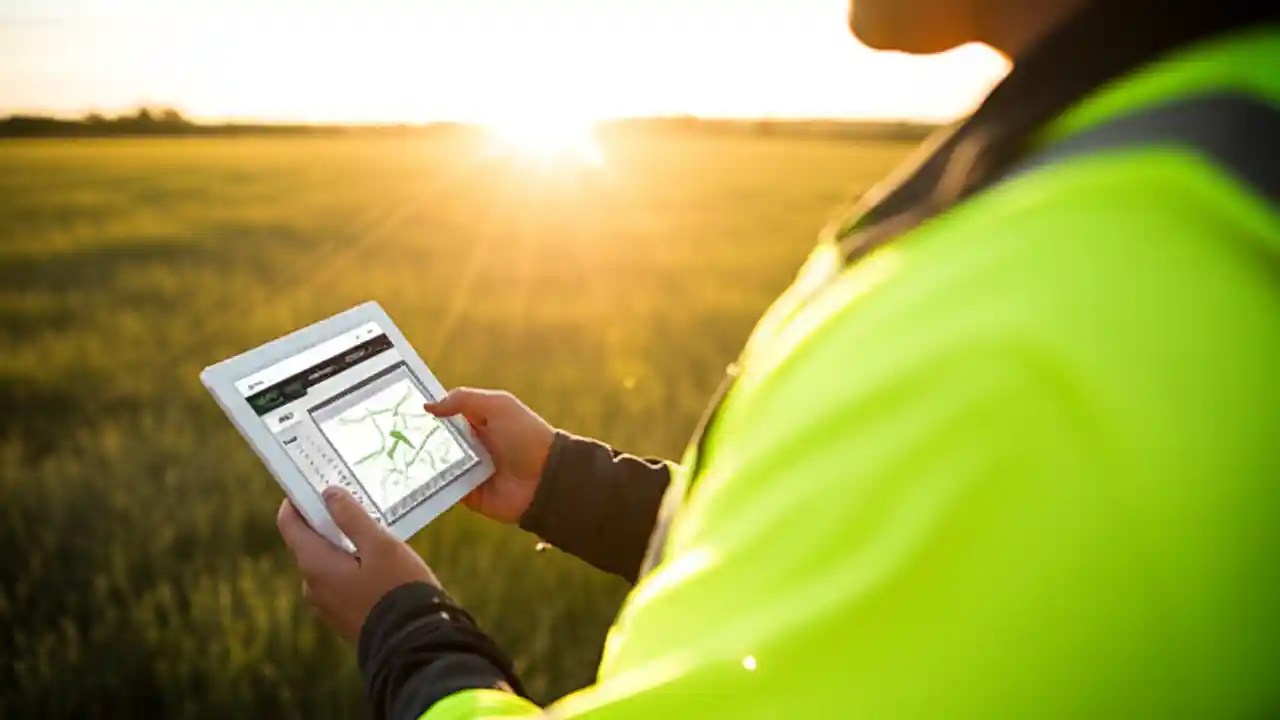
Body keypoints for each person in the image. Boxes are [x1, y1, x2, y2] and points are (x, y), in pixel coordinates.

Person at [275, 0, 1280, 717]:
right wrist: (569, 484)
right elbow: (885, 555)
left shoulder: (1008, 331)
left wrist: (403, 632)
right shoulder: (1199, 143)